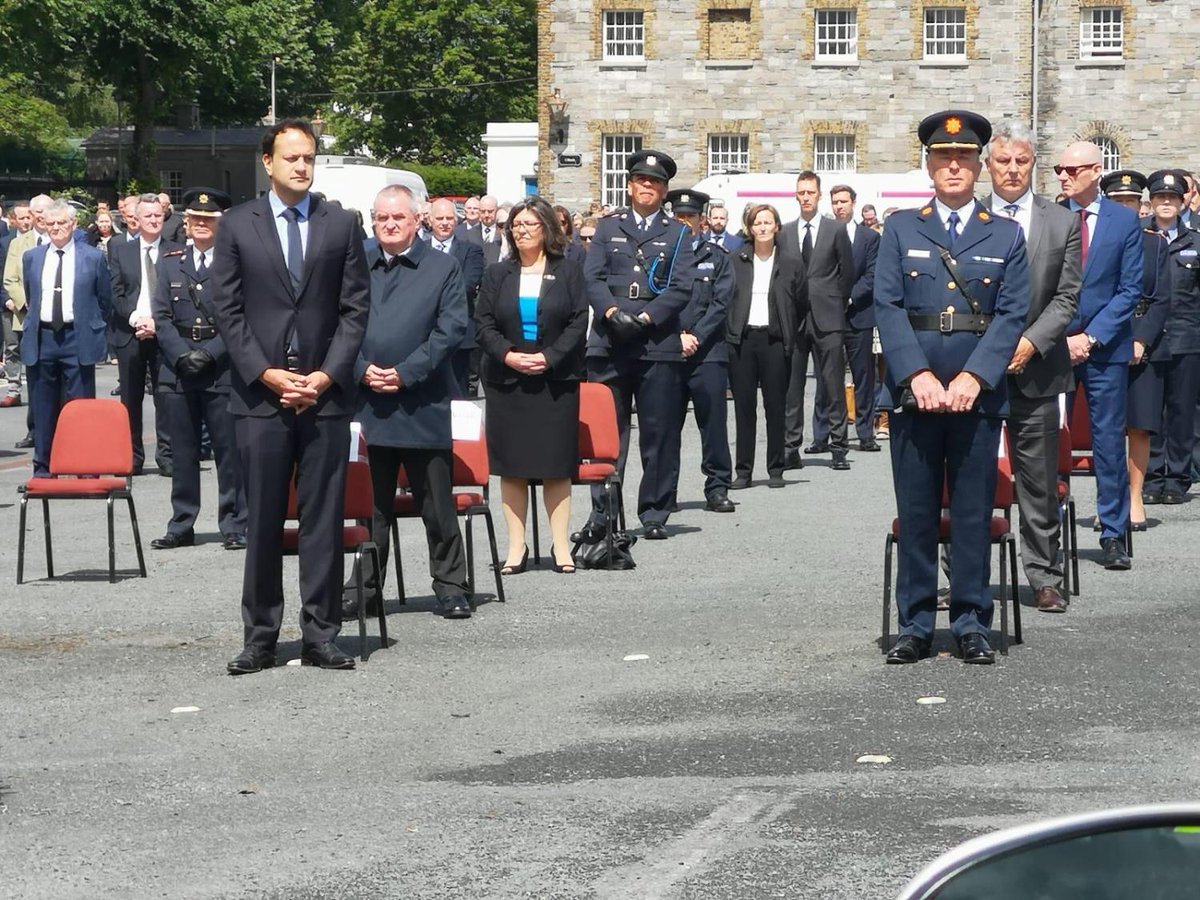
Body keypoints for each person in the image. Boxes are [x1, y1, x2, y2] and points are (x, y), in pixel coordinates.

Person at [212, 118, 370, 674]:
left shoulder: (341, 223)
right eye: (292, 157)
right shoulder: (237, 225)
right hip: (261, 400)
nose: (302, 166)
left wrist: (326, 375)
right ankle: (260, 637)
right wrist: (266, 373)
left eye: (309, 157)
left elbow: (355, 309)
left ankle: (321, 634)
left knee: (322, 518)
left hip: (325, 397)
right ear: (268, 162)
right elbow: (227, 309)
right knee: (262, 520)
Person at [877, 110, 1030, 666]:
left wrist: (975, 376)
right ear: (929, 165)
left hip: (976, 395)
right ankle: (915, 625)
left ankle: (970, 622)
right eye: (944, 157)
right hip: (914, 392)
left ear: (979, 166)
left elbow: (1012, 313)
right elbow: (887, 305)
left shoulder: (1006, 233)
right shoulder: (900, 228)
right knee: (917, 512)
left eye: (964, 158)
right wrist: (915, 374)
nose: (954, 167)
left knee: (970, 514)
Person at [347, 184, 474, 620]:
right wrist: (360, 368)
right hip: (366, 404)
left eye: (398, 217)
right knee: (369, 507)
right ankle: (364, 589)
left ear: (417, 220)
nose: (389, 224)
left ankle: (452, 586)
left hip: (422, 404)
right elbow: (336, 325)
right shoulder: (355, 265)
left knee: (436, 505)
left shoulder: (442, 267)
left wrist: (405, 372)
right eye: (381, 217)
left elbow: (451, 328)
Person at [979, 119, 1082, 613]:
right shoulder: (970, 217)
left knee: (1038, 483)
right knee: (972, 476)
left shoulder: (1061, 221)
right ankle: (967, 574)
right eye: (1003, 160)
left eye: (1022, 161)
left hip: (1039, 369)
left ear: (1033, 164)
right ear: (988, 165)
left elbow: (1067, 297)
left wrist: (1030, 343)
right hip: (976, 370)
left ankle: (1044, 576)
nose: (1013, 169)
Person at [578, 149, 695, 541]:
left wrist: (644, 318)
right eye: (642, 181)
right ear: (630, 186)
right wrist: (612, 313)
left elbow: (681, 287)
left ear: (664, 191)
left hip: (655, 342)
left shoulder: (679, 233)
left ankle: (655, 511)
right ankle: (604, 513)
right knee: (606, 434)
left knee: (658, 432)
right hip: (609, 341)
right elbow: (592, 277)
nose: (648, 187)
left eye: (656, 183)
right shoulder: (607, 227)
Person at [475, 196, 589, 572]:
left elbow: (578, 321)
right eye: (516, 225)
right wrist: (507, 355)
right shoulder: (497, 273)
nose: (521, 231)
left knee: (555, 465)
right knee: (513, 467)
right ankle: (516, 548)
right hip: (507, 381)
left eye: (529, 224)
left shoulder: (568, 271)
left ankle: (561, 547)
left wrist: (549, 357)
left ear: (546, 229)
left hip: (554, 382)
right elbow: (483, 324)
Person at [1056, 140, 1142, 570]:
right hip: (1054, 347)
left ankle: (1112, 532)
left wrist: (1089, 338)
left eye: (1072, 171)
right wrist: (1059, 337)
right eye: (1059, 170)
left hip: (1104, 348)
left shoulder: (1123, 221)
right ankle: (1049, 531)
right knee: (1050, 439)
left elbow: (1130, 289)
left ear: (1095, 171)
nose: (1063, 177)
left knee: (1108, 441)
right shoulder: (1052, 216)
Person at [149, 187, 247, 552]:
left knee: (228, 452)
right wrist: (180, 356)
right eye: (195, 218)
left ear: (222, 223)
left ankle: (234, 524)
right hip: (178, 368)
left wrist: (210, 353)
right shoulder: (170, 261)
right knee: (183, 451)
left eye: (209, 219)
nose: (201, 224)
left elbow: (241, 316)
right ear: (186, 222)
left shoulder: (235, 262)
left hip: (220, 367)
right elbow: (161, 316)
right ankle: (182, 523)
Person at [18, 200, 112, 476]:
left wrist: (92, 325)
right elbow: (31, 295)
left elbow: (104, 299)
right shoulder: (32, 257)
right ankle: (43, 467)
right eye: (51, 223)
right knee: (43, 406)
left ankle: (85, 466)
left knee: (81, 407)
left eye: (62, 223)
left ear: (73, 224)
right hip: (43, 337)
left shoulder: (92, 257)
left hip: (77, 336)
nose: (56, 228)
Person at [1100, 170, 1171, 532]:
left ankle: (1135, 495)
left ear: (1140, 205)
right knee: (1108, 427)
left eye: (1131, 201)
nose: (1125, 207)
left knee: (1140, 425)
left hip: (1144, 337)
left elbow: (1162, 299)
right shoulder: (1096, 239)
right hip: (1104, 338)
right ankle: (1111, 500)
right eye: (1118, 202)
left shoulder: (1154, 244)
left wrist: (1141, 339)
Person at [727, 203, 808, 488]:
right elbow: (725, 298)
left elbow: (801, 302)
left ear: (777, 226)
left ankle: (776, 468)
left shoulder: (791, 262)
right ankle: (743, 471)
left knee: (775, 406)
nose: (762, 227)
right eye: (757, 223)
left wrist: (789, 332)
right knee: (744, 407)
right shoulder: (735, 260)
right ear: (750, 228)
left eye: (767, 222)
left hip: (775, 340)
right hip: (743, 340)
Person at [665, 188, 735, 512]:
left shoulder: (717, 257)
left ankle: (717, 487)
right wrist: (675, 338)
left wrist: (695, 336)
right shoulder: (660, 256)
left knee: (714, 424)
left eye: (689, 217)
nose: (684, 222)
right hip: (668, 351)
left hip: (708, 353)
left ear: (701, 221)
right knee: (666, 427)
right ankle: (664, 492)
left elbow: (721, 303)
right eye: (678, 216)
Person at [781, 171, 855, 471]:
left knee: (833, 384)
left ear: (819, 195)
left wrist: (835, 300)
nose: (806, 197)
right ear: (796, 196)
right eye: (801, 193)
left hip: (828, 316)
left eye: (810, 192)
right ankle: (790, 447)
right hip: (795, 320)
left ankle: (838, 447)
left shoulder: (835, 230)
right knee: (792, 387)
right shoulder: (785, 232)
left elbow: (847, 273)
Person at [109, 193, 179, 475]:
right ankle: (131, 457)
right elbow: (116, 293)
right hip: (130, 332)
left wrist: (157, 323)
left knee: (166, 397)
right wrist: (137, 319)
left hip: (164, 334)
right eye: (147, 215)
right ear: (136, 219)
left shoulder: (176, 251)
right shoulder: (120, 250)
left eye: (157, 215)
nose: (153, 220)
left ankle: (167, 456)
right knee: (130, 398)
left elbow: (178, 295)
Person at [810, 184, 881, 452]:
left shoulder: (869, 237)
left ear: (853, 203)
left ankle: (865, 433)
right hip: (827, 317)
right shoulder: (822, 234)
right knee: (826, 377)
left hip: (858, 315)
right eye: (835, 202)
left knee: (863, 376)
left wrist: (848, 297)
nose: (839, 206)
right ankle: (821, 436)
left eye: (843, 201)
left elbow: (872, 275)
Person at [1144, 169, 1200, 507]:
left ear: (1182, 202)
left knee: (1181, 411)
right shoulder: (1139, 237)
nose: (1166, 202)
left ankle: (1177, 477)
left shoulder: (1195, 241)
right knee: (1149, 411)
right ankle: (1151, 476)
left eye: (1172, 198)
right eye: (1160, 197)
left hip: (1186, 337)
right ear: (1151, 202)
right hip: (1148, 339)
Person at [427, 197, 485, 397]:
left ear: (456, 220)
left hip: (458, 334)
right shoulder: (417, 249)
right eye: (439, 218)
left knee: (457, 396)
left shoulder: (471, 251)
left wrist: (426, 295)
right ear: (430, 220)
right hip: (422, 333)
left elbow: (466, 286)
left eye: (449, 218)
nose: (444, 223)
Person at [1, 200, 32, 410]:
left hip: (34, 304)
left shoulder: (41, 240)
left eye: (29, 217)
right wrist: (6, 298)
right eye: (22, 218)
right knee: (12, 347)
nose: (26, 221)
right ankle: (13, 389)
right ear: (14, 220)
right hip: (9, 304)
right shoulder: (5, 242)